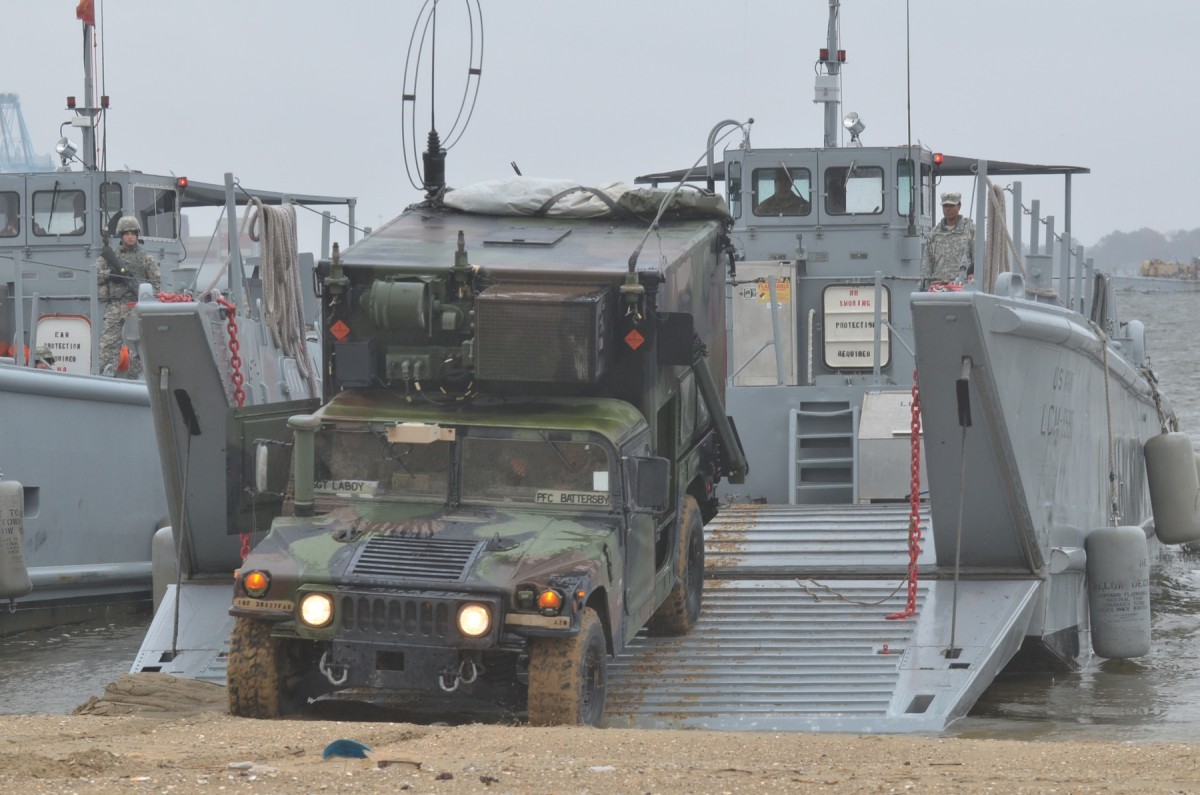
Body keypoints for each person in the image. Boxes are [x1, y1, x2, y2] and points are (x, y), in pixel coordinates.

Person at [95, 215, 160, 378]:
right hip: (116, 307)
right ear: (121, 236)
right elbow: (95, 274)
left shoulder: (146, 258)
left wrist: (145, 295)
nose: (130, 237)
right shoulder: (110, 256)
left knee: (138, 345)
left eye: (133, 233)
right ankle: (104, 375)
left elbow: (156, 283)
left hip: (137, 307)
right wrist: (111, 274)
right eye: (126, 234)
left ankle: (136, 378)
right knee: (108, 344)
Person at [922, 191, 976, 284]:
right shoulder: (934, 233)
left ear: (959, 206)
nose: (948, 209)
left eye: (951, 206)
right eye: (945, 206)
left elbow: (978, 260)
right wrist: (924, 285)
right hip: (938, 286)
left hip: (963, 286)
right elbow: (927, 263)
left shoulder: (970, 230)